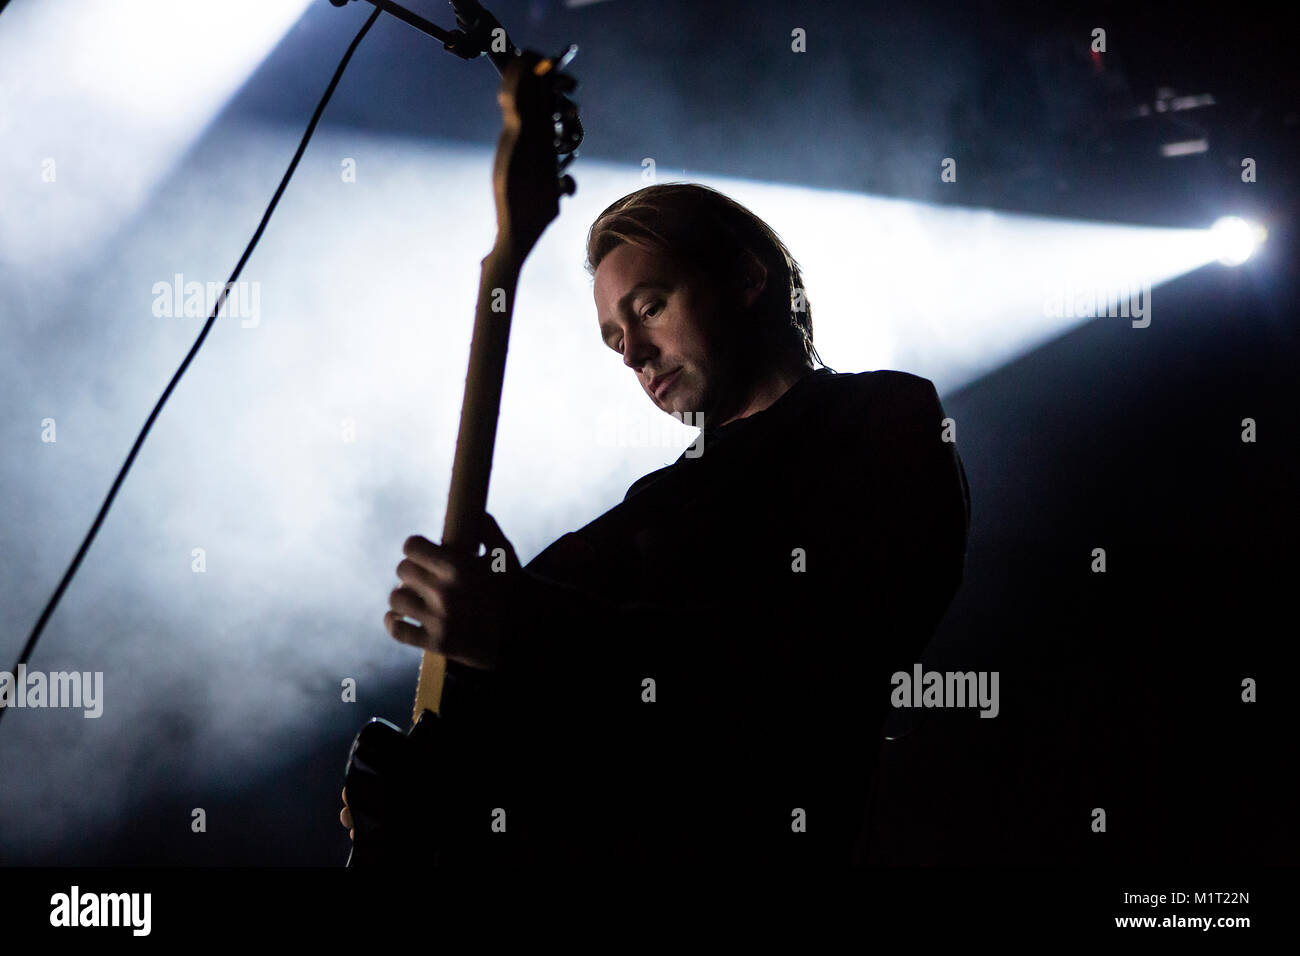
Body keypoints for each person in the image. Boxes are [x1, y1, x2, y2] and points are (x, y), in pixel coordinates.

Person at [341, 182, 971, 864]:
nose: (633, 354)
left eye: (650, 308)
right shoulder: (650, 509)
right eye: (615, 339)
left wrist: (518, 630)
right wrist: (413, 789)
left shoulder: (883, 418)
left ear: (745, 275)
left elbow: (789, 664)